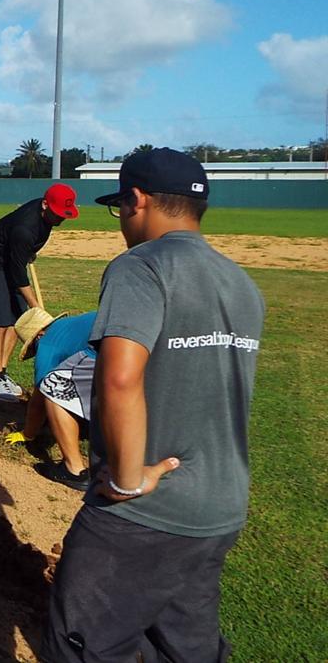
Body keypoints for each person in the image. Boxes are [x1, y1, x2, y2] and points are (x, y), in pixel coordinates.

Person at [45, 148, 265, 661]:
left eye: (120, 205)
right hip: (221, 503)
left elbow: (119, 380)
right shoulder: (241, 282)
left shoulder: (141, 267)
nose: (121, 219)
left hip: (147, 510)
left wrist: (126, 479)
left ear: (137, 200)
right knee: (183, 646)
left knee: (83, 642)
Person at [0, 184, 78, 402]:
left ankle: (1, 372)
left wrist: (26, 253)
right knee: (0, 321)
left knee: (17, 320)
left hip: (10, 261)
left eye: (63, 216)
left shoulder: (46, 217)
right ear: (45, 205)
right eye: (57, 214)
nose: (59, 219)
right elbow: (19, 276)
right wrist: (36, 307)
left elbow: (20, 257)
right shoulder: (25, 228)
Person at [4, 307, 97, 490]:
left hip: (106, 352)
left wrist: (27, 433)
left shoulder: (47, 343)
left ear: (38, 335)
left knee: (52, 389)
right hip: (141, 344)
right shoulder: (71, 326)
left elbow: (39, 401)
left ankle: (73, 470)